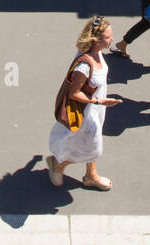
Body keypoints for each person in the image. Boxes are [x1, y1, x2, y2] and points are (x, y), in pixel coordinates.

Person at [46, 16, 122, 191]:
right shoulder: (85, 66)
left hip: (95, 110)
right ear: (95, 41)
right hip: (86, 113)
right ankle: (58, 165)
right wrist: (99, 101)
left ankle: (90, 175)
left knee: (87, 144)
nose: (112, 39)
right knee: (90, 147)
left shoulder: (97, 53)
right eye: (108, 37)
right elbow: (74, 93)